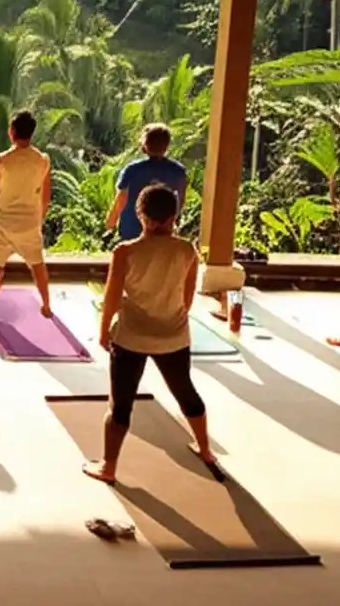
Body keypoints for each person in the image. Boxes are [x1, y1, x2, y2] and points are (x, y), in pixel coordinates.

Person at [83, 185, 214, 484]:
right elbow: (187, 300)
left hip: (131, 337)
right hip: (174, 337)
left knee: (120, 404)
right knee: (185, 392)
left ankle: (108, 467)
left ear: (140, 214)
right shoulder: (187, 250)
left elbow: (111, 298)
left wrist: (103, 331)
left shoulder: (125, 252)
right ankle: (206, 451)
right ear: (174, 216)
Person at [0, 111, 53, 320]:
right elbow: (45, 195)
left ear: (11, 132)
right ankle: (46, 304)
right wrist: (39, 219)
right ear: (32, 133)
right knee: (38, 265)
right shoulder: (43, 160)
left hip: (4, 222)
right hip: (30, 222)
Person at [106, 123, 188, 242]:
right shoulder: (178, 171)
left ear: (144, 145)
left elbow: (121, 199)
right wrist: (173, 223)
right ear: (167, 145)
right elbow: (180, 201)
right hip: (164, 231)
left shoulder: (132, 170)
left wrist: (111, 223)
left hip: (132, 230)